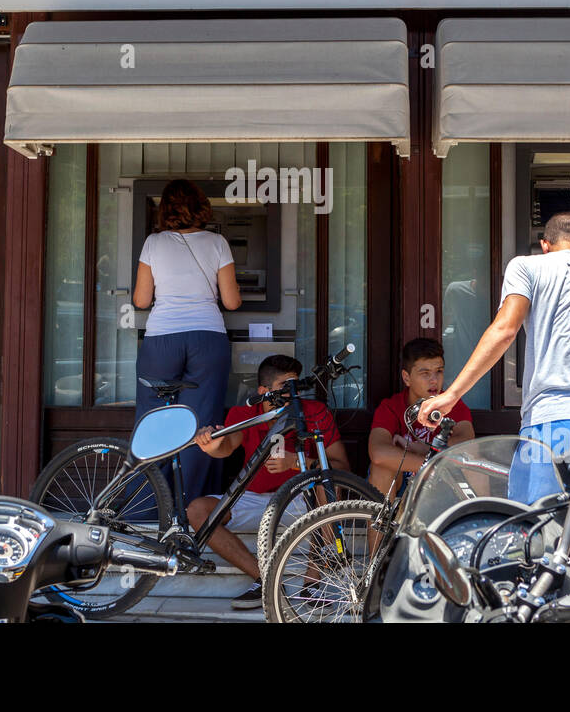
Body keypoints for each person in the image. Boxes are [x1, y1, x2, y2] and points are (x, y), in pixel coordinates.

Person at [421, 211, 570, 567]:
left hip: (549, 422)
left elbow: (504, 330)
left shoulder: (528, 268)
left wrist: (451, 394)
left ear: (544, 245)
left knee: (533, 536)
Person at [189, 354, 349, 610]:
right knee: (197, 511)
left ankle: (312, 584)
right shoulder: (244, 413)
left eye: (297, 386)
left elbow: (341, 468)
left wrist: (296, 463)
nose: (293, 394)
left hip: (300, 501)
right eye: (285, 388)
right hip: (253, 499)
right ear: (263, 392)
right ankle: (265, 580)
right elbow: (227, 446)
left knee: (328, 484)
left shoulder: (315, 411)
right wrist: (211, 446)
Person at [133, 179, 241, 502]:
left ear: (165, 209)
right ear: (201, 207)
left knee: (154, 424)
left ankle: (148, 510)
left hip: (161, 340)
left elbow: (141, 299)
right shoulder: (218, 243)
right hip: (207, 339)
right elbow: (232, 302)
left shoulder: (153, 243)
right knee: (202, 427)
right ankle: (193, 508)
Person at [368, 337, 475, 500]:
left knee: (475, 466)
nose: (434, 380)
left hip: (443, 480)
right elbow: (378, 453)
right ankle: (379, 526)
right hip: (414, 477)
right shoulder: (391, 406)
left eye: (439, 371)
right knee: (381, 468)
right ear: (406, 378)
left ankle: (485, 523)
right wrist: (430, 466)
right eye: (425, 373)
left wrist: (421, 448)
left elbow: (466, 441)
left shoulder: (452, 404)